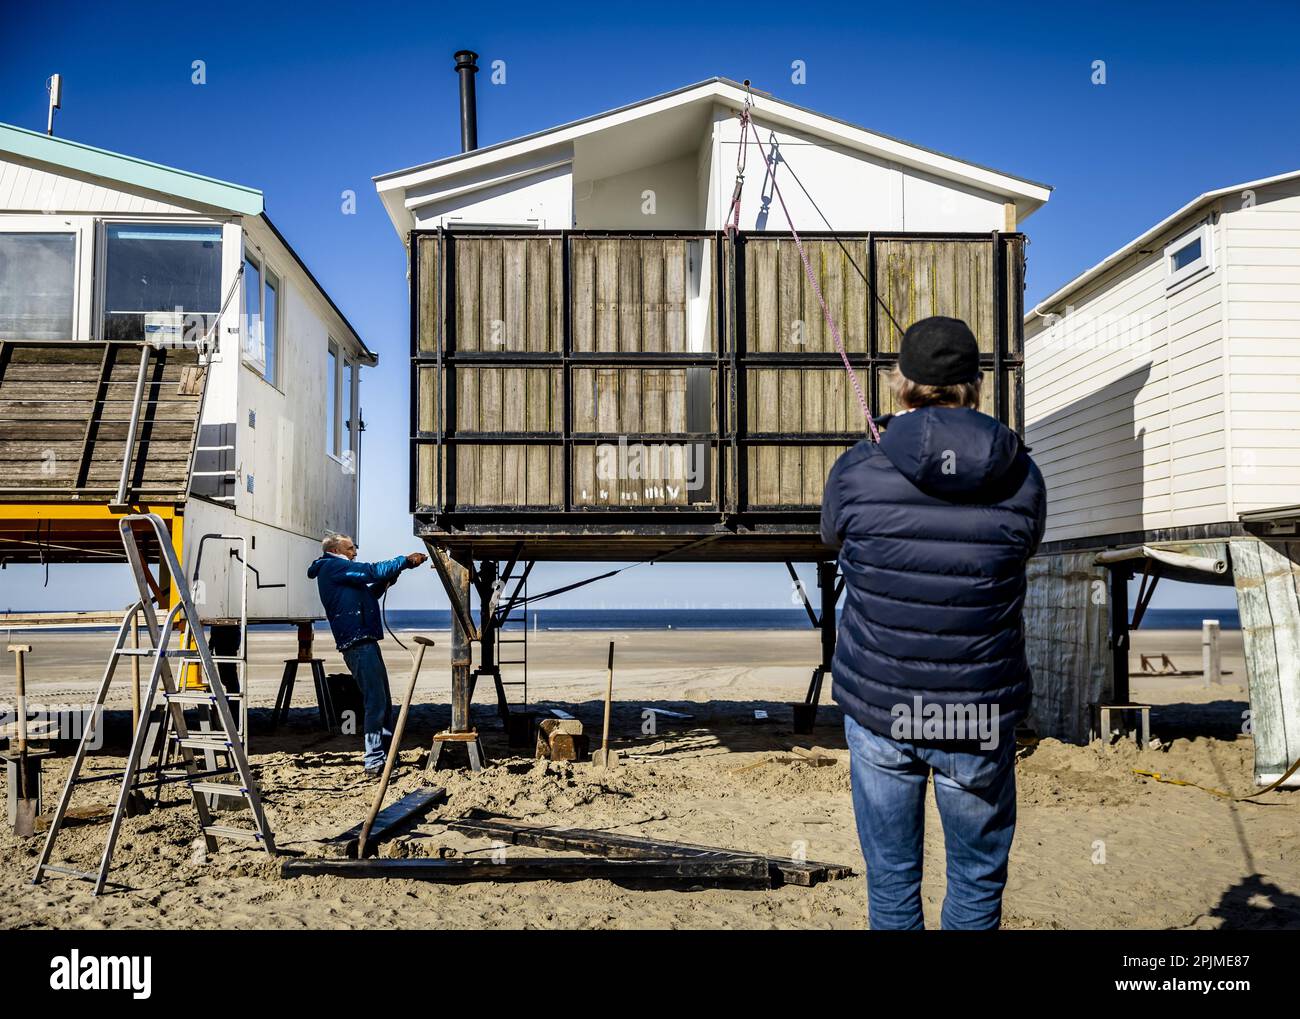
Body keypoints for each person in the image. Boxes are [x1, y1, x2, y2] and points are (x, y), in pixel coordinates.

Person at [820, 315, 1047, 930]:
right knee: (976, 882)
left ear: (901, 383)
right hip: (977, 710)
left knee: (892, 881)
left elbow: (833, 539)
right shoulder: (1023, 475)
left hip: (883, 706)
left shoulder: (857, 469)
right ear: (975, 385)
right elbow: (1021, 549)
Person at [307, 534, 428, 775]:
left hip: (364, 640)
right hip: (358, 642)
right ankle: (374, 760)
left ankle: (385, 756)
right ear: (336, 549)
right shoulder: (334, 565)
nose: (355, 552)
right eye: (351, 548)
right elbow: (371, 571)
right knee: (375, 701)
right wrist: (404, 561)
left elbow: (368, 596)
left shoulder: (339, 571)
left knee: (382, 699)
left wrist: (385, 583)